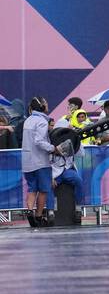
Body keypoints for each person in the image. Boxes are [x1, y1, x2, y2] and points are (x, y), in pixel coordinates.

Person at [22, 97, 56, 229]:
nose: (47, 105)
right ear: (42, 106)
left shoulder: (28, 120)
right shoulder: (42, 121)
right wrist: (53, 148)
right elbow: (39, 141)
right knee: (43, 190)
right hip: (40, 161)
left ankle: (30, 210)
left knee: (32, 188)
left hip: (27, 161)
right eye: (46, 103)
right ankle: (39, 216)